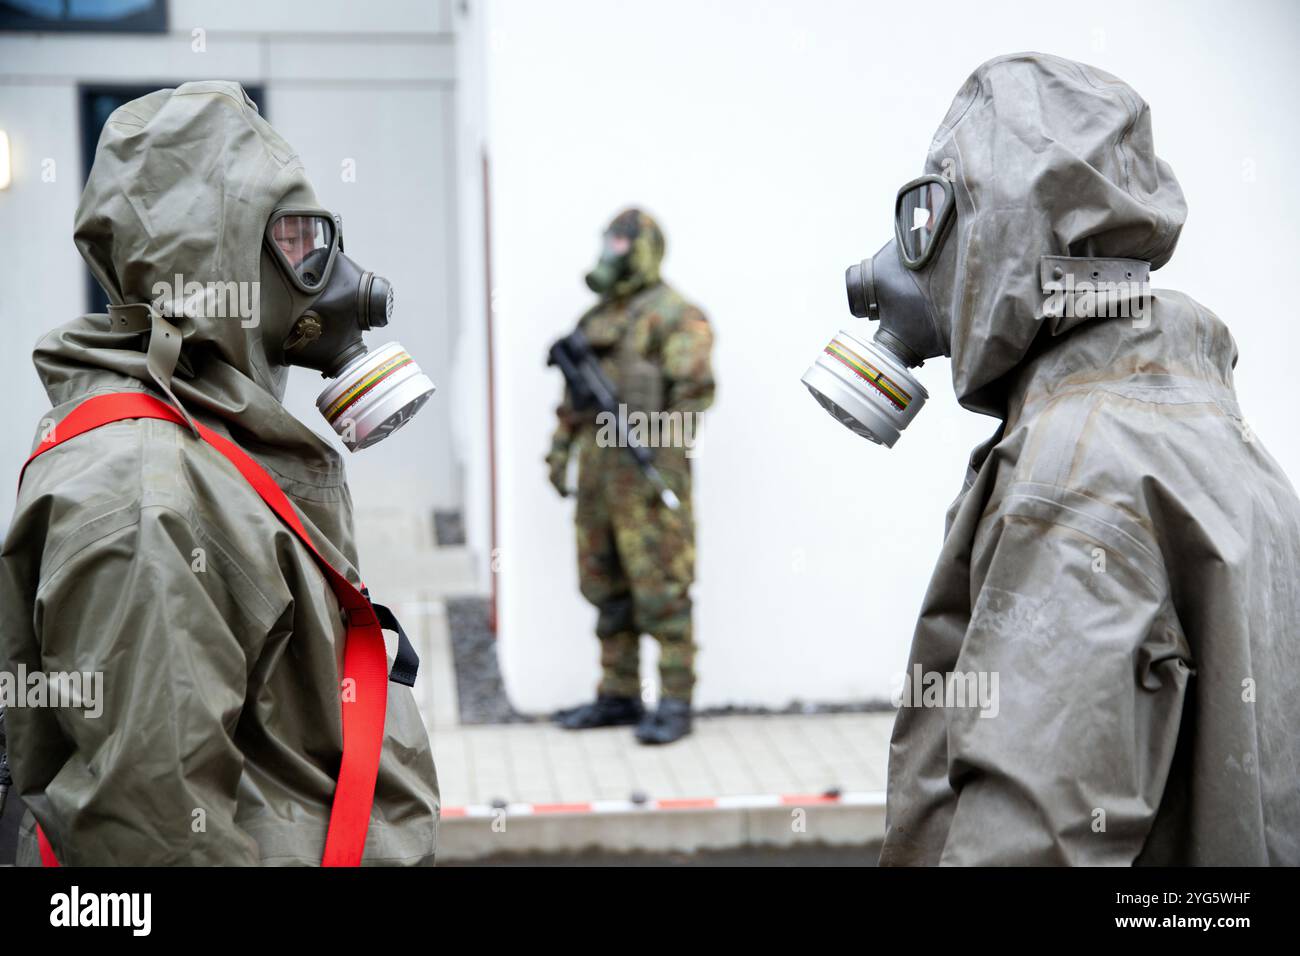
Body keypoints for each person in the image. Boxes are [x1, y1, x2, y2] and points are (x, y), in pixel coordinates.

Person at [806, 53, 1300, 864]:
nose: (909, 255)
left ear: (997, 232)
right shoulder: (1221, 441)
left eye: (933, 213)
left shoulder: (1075, 475)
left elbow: (1029, 844)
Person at [0, 81, 440, 865]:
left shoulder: (203, 437)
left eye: (317, 237)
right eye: (295, 240)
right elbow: (155, 835)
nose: (330, 273)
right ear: (213, 255)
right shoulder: (144, 491)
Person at [547, 209, 715, 745]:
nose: (612, 249)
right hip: (599, 475)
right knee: (605, 585)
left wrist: (657, 453)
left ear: (644, 247)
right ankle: (617, 695)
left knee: (662, 587)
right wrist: (558, 454)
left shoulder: (676, 314)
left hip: (648, 477)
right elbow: (572, 404)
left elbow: (694, 395)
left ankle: (674, 700)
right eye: (609, 239)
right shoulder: (595, 317)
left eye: (622, 241)